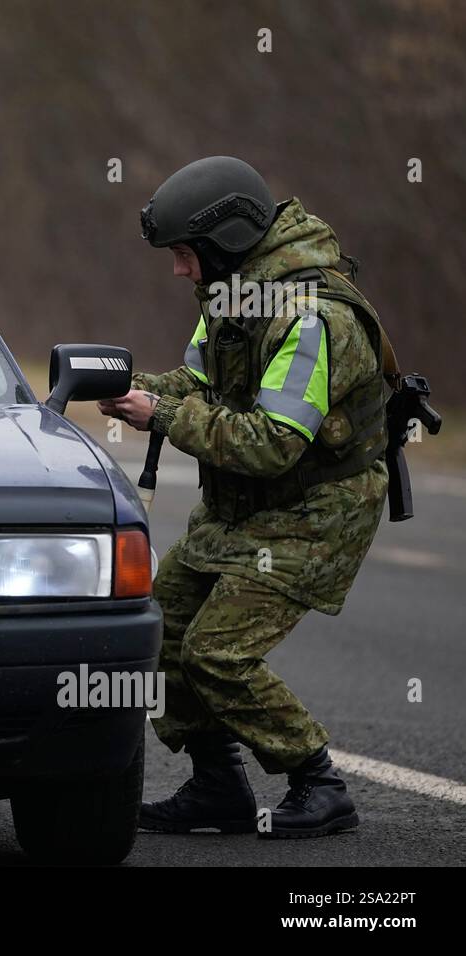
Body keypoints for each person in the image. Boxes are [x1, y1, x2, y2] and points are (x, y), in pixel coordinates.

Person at [101, 156, 393, 838]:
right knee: (159, 635)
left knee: (217, 652)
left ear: (223, 245)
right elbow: (197, 384)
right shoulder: (235, 296)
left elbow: (272, 442)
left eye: (183, 255)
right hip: (245, 508)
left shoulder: (314, 318)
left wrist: (162, 417)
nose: (179, 271)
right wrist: (117, 384)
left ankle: (319, 781)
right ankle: (218, 787)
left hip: (315, 513)